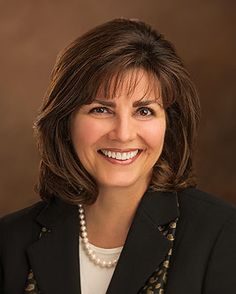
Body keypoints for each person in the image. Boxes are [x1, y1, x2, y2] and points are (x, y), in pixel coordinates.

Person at [0, 18, 235, 294]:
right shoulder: (9, 242)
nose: (123, 134)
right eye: (101, 109)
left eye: (144, 111)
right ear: (66, 121)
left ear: (168, 125)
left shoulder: (223, 235)